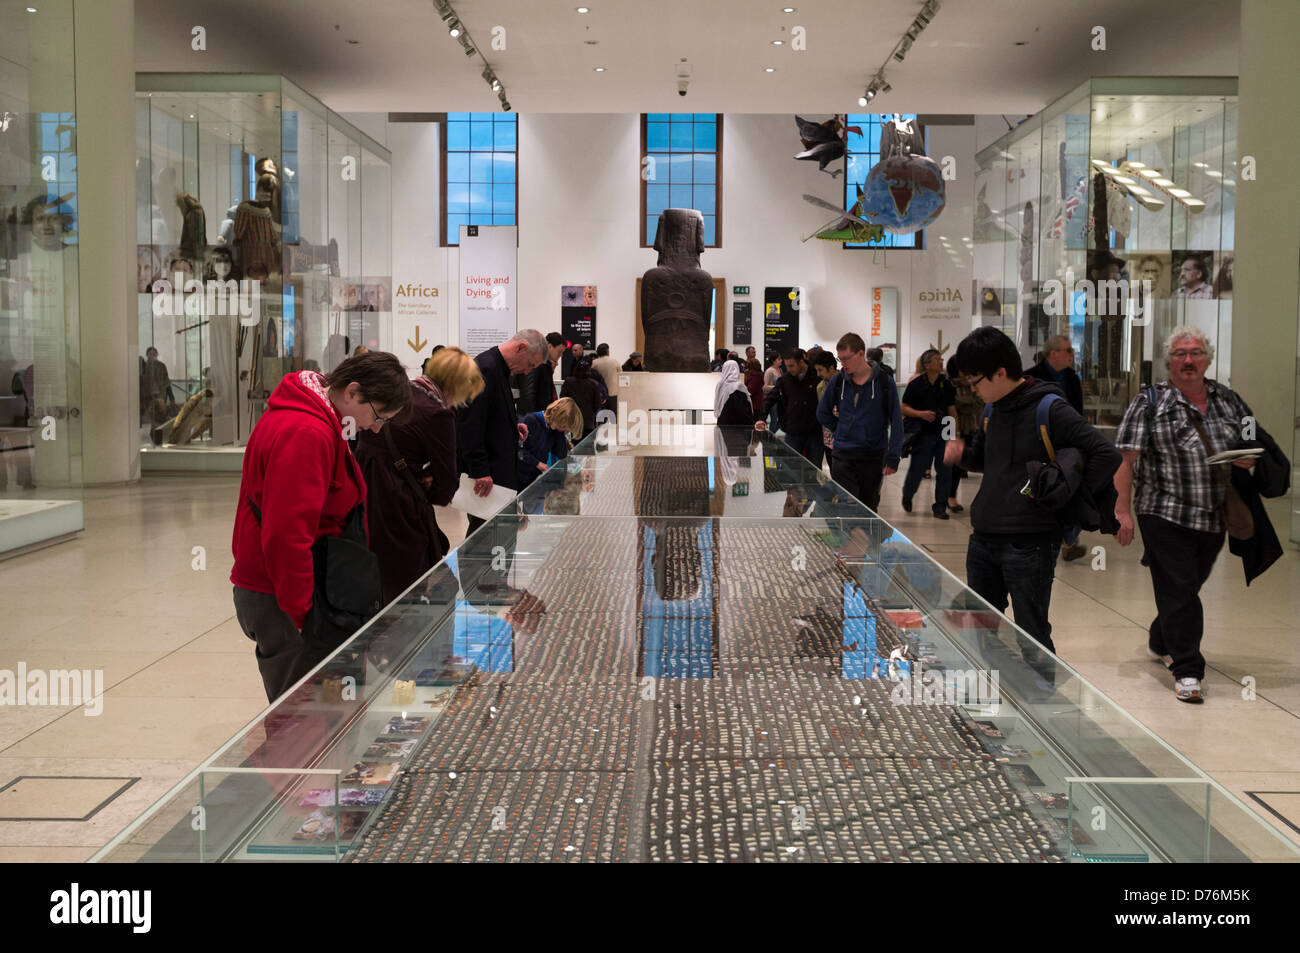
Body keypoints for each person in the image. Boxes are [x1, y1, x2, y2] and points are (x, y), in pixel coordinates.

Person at [231, 350, 412, 701]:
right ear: (353, 392)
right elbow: (287, 537)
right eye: (378, 416)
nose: (375, 427)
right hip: (283, 597)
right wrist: (306, 617)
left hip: (294, 592)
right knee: (302, 720)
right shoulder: (306, 432)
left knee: (312, 712)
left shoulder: (318, 419)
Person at [942, 327, 1119, 666]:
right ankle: (986, 710)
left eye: (976, 382)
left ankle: (1044, 712)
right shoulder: (993, 409)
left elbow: (1105, 455)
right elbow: (985, 459)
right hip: (984, 538)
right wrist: (963, 453)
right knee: (978, 628)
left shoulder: (1049, 408)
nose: (974, 391)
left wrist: (1063, 496)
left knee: (1031, 637)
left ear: (1001, 372)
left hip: (1029, 545)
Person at [1114, 326, 1257, 704]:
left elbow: (1254, 445)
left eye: (1195, 353)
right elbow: (1125, 460)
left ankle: (1161, 639)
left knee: (1186, 587)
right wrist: (1122, 511)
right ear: (1169, 361)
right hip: (1162, 511)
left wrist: (1249, 458)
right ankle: (1188, 669)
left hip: (1213, 516)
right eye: (1180, 354)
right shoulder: (1149, 402)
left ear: (1207, 359)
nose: (1188, 360)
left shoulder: (1230, 401)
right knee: (1179, 587)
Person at [356, 347, 482, 605]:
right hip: (400, 511)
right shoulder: (437, 414)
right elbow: (446, 486)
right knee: (407, 594)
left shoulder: (393, 394)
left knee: (376, 583)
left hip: (362, 498)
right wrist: (427, 483)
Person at [457, 330, 546, 533]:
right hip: (488, 478)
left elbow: (489, 414)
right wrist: (479, 469)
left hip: (498, 474)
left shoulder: (500, 369)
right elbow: (469, 423)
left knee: (496, 534)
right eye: (530, 364)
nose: (527, 372)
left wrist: (511, 426)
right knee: (484, 536)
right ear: (520, 348)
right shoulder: (485, 369)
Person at [816, 332, 903, 511]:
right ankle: (847, 538)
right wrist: (840, 430)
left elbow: (896, 420)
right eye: (840, 359)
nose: (843, 364)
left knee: (868, 506)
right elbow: (822, 412)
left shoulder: (884, 382)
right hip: (843, 454)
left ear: (861, 354)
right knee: (845, 506)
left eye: (846, 358)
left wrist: (893, 457)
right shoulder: (838, 381)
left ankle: (866, 539)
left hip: (872, 455)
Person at [1026, 334, 1088, 559]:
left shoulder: (1071, 378)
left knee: (1073, 487)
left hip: (1067, 443)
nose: (1072, 355)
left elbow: (1078, 411)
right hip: (1039, 443)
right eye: (1068, 350)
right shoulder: (1032, 377)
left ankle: (1068, 539)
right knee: (1042, 487)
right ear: (1053, 353)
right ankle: (1048, 536)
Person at [900, 348, 957, 519]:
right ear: (927, 364)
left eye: (941, 359)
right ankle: (908, 495)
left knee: (945, 471)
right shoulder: (916, 384)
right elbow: (903, 407)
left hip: (944, 434)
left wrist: (955, 434)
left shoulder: (946, 385)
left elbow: (951, 409)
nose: (941, 362)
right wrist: (921, 414)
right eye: (937, 359)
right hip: (922, 435)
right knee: (917, 469)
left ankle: (940, 506)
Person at [756, 348, 822, 468]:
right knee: (790, 470)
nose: (789, 369)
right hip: (793, 430)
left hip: (814, 432)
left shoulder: (817, 377)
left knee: (814, 470)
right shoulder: (785, 380)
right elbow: (770, 399)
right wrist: (761, 418)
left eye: (791, 366)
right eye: (787, 366)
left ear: (801, 362)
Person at [517, 397, 583, 490]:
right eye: (563, 426)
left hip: (534, 479)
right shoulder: (531, 420)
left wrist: (560, 434)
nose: (564, 430)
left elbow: (561, 454)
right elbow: (518, 450)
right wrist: (537, 463)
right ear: (555, 412)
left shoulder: (554, 430)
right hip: (519, 475)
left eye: (566, 429)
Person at [945, 354, 982, 513]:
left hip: (969, 427)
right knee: (949, 465)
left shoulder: (972, 385)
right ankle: (947, 497)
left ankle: (951, 495)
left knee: (960, 463)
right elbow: (952, 405)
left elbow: (978, 404)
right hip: (950, 426)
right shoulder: (948, 386)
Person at [560, 357, 604, 438]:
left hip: (573, 418)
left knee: (575, 441)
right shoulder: (593, 384)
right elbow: (597, 404)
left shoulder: (569, 382)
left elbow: (563, 398)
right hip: (588, 420)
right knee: (587, 445)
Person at [521, 331, 564, 415]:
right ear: (550, 346)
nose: (561, 355)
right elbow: (529, 393)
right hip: (535, 416)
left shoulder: (546, 365)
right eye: (559, 351)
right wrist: (533, 417)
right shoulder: (537, 363)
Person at [714, 360, 754, 426]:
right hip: (737, 427)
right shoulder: (738, 386)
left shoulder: (720, 385)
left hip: (723, 422)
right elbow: (741, 410)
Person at [591, 342, 622, 412]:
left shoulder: (594, 363)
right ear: (608, 351)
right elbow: (621, 375)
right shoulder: (614, 362)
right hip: (613, 393)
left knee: (600, 418)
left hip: (600, 395)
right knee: (614, 417)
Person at [763, 352, 785, 430]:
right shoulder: (769, 371)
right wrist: (777, 387)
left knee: (780, 420)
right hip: (772, 398)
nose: (781, 360)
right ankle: (771, 437)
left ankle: (771, 435)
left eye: (781, 359)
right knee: (774, 419)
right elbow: (765, 387)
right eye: (779, 359)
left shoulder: (780, 370)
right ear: (773, 360)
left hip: (779, 398)